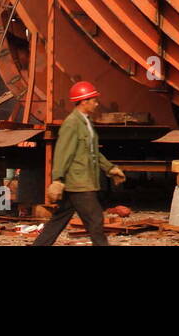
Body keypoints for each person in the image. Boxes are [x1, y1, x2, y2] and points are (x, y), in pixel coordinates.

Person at [32, 81, 126, 246]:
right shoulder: (72, 123)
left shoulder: (86, 122)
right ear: (84, 101)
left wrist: (110, 168)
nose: (97, 103)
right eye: (94, 100)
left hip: (82, 180)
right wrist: (57, 179)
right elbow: (63, 152)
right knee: (95, 219)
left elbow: (93, 152)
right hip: (78, 182)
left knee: (59, 219)